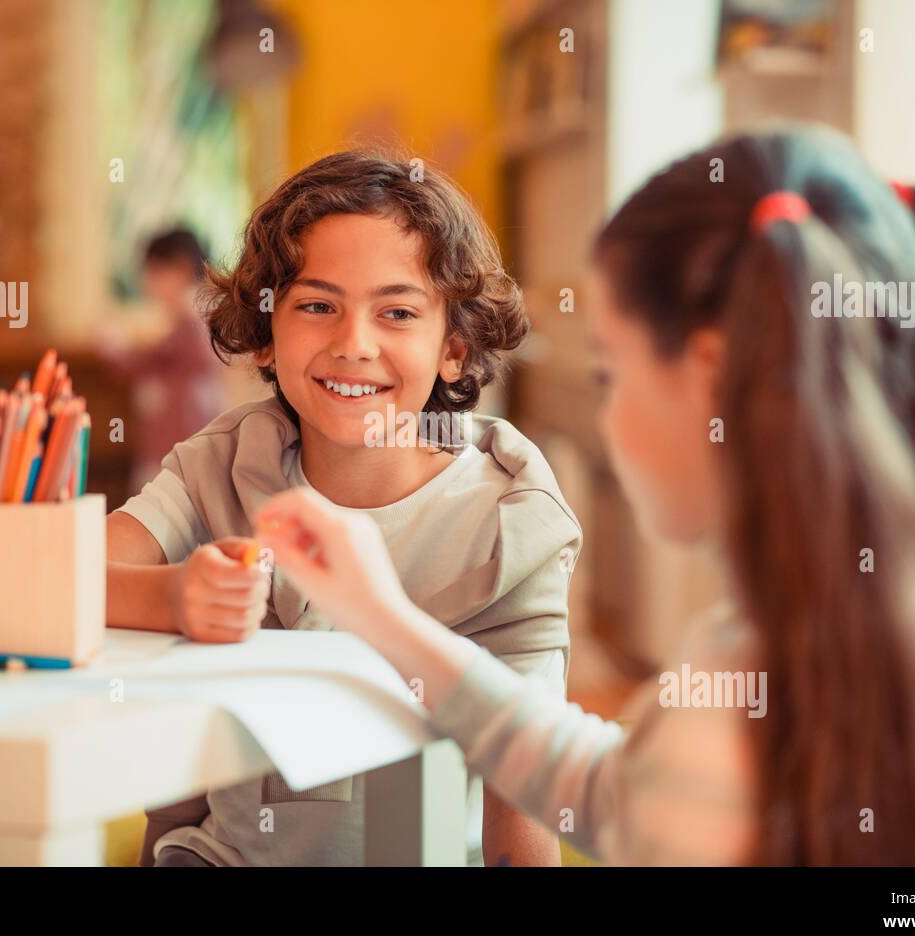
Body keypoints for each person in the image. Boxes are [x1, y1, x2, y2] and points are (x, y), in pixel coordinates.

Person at [255, 126, 915, 865]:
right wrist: (386, 616)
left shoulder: (719, 735)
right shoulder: (908, 632)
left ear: (707, 375)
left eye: (611, 371)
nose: (604, 415)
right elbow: (605, 792)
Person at [107, 150, 578, 867]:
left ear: (453, 347)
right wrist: (172, 595)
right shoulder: (223, 464)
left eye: (396, 312)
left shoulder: (508, 522)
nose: (354, 344)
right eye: (318, 306)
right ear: (266, 333)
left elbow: (524, 797)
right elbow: (66, 577)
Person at [99, 228, 226, 492]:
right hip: (179, 446)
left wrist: (110, 344)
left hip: (176, 446)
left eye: (154, 272)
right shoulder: (194, 318)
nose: (147, 282)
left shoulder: (190, 322)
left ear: (180, 269)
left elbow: (131, 365)